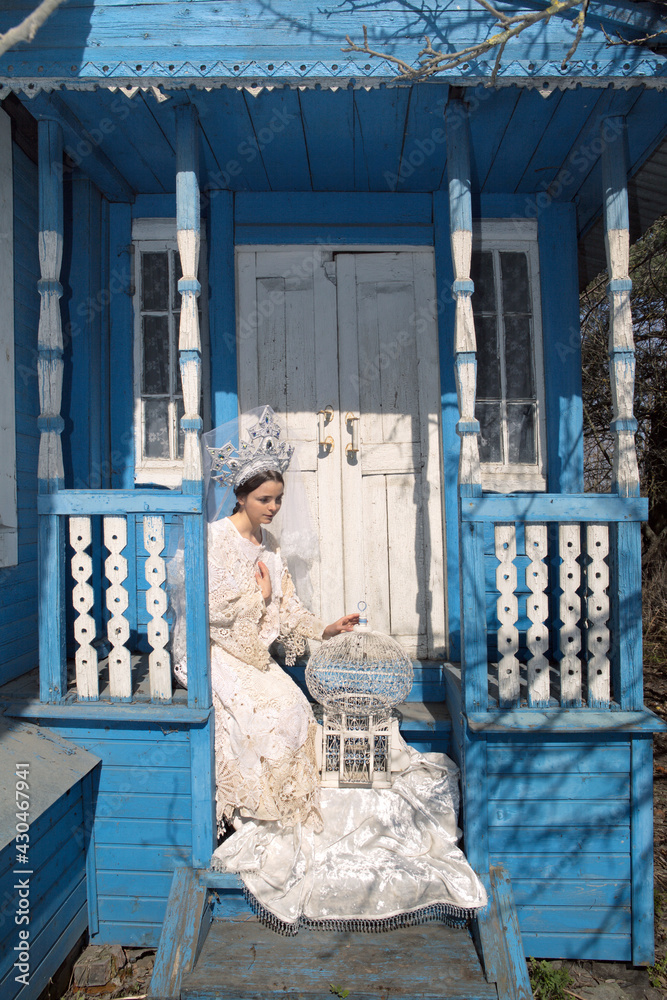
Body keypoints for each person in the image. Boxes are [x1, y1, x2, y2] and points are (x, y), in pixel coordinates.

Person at [171, 405, 487, 933]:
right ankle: (259, 812)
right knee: (267, 711)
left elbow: (288, 609)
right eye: (264, 499)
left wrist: (325, 628)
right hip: (216, 652)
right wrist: (256, 597)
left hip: (252, 652)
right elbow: (208, 611)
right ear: (241, 496)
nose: (274, 508)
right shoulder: (215, 539)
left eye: (278, 499)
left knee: (295, 706)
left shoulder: (269, 547)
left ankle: (289, 800)